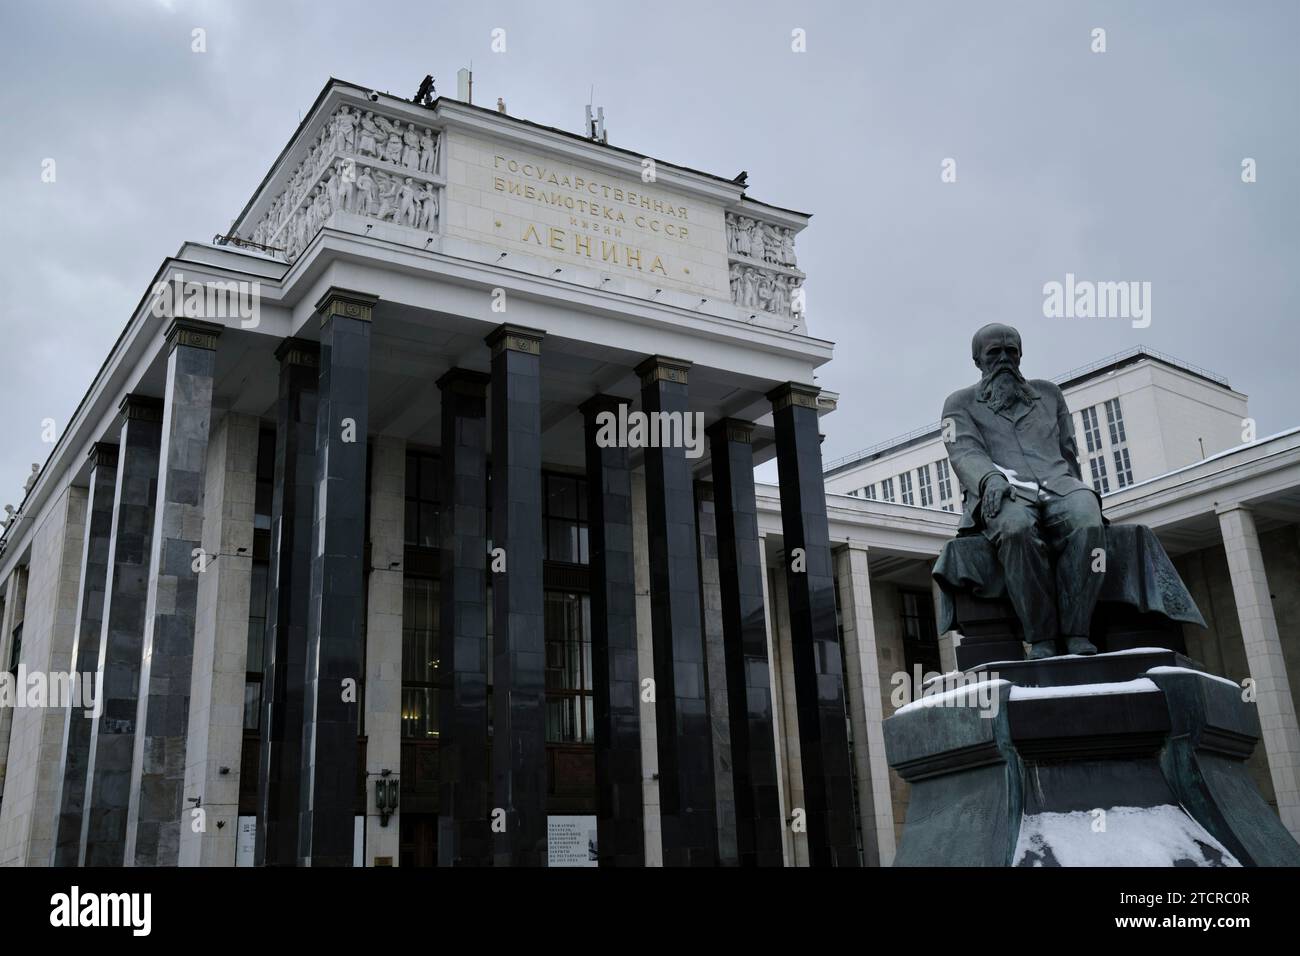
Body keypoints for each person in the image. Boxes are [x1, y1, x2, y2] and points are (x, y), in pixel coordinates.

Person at [941, 323, 1104, 659]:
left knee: (1088, 521)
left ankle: (1077, 632)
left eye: (1010, 351)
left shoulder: (1049, 394)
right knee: (1015, 529)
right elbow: (963, 452)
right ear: (978, 361)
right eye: (994, 353)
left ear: (1020, 354)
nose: (1004, 359)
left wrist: (1075, 489)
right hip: (1002, 488)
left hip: (1058, 484)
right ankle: (1041, 637)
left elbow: (1068, 447)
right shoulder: (958, 404)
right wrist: (989, 479)